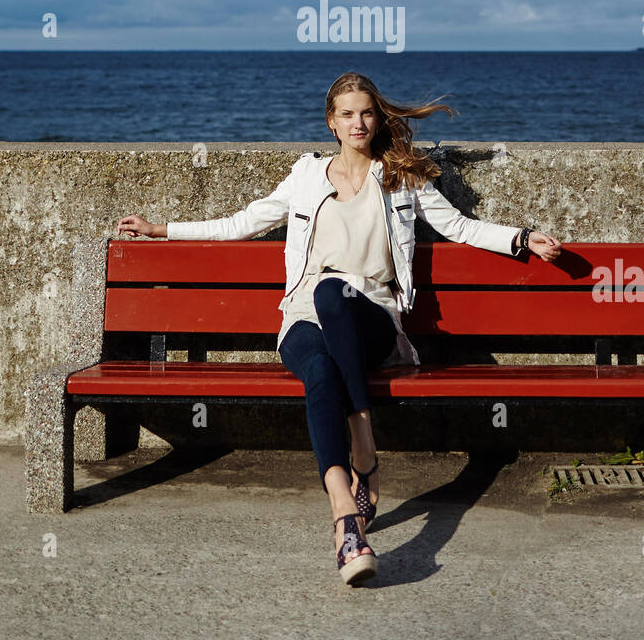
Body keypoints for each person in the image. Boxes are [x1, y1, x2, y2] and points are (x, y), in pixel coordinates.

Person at [116, 72, 562, 586]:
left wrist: (521, 239)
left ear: (378, 119)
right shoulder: (306, 176)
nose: (358, 122)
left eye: (367, 112)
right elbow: (242, 222)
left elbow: (458, 226)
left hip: (370, 315)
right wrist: (161, 230)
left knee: (335, 292)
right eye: (347, 114)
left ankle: (365, 447)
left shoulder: (400, 176)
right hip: (302, 316)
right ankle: (345, 514)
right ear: (331, 122)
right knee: (319, 368)